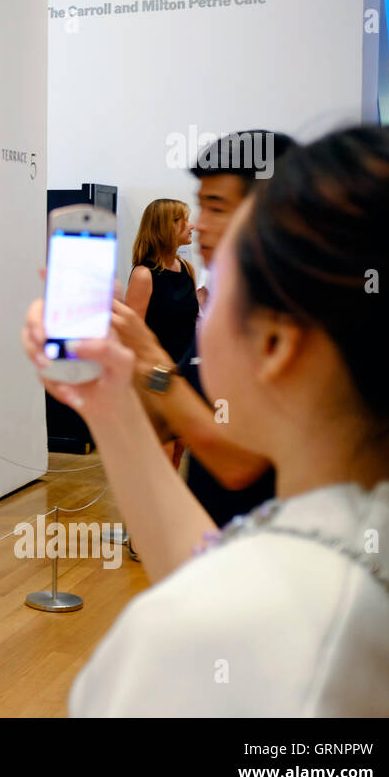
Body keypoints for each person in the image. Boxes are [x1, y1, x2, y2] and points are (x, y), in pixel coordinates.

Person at [22, 125, 389, 715]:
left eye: (230, 277)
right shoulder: (379, 529)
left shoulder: (215, 631)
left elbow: (225, 596)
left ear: (278, 342)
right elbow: (212, 562)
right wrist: (108, 405)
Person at [115, 131, 292, 528]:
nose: (197, 226)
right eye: (192, 213)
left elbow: (235, 463)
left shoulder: (289, 324)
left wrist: (156, 369)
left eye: (215, 208)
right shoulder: (158, 280)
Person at [124, 199, 197, 364]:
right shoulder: (144, 275)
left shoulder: (187, 268)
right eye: (184, 221)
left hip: (185, 367)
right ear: (167, 226)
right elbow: (133, 335)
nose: (191, 226)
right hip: (157, 371)